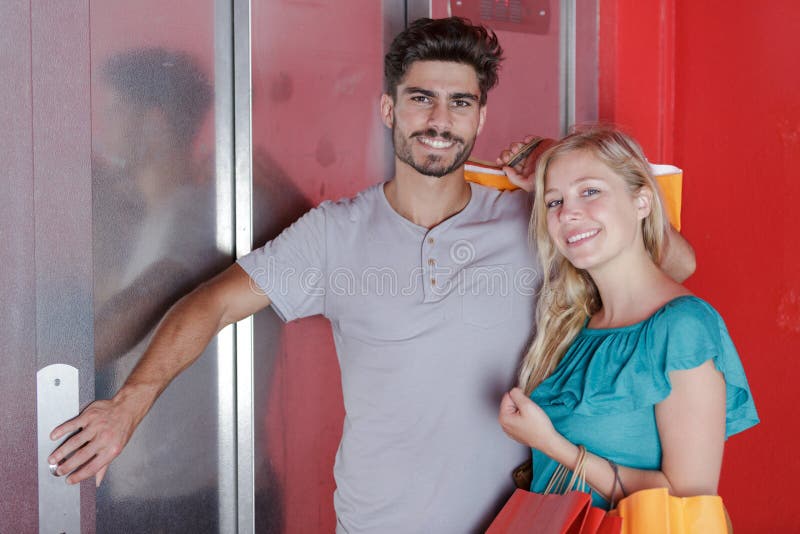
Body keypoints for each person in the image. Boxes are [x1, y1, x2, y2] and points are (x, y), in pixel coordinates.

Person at [48, 19, 695, 533]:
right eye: (421, 99)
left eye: (460, 102)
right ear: (388, 110)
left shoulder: (532, 222)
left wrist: (558, 176)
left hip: (515, 522)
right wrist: (126, 405)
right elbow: (210, 306)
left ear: (480, 119)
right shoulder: (334, 234)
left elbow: (674, 266)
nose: (439, 120)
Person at [498, 127, 759, 512]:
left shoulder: (683, 328)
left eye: (590, 191)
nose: (568, 212)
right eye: (554, 202)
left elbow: (688, 505)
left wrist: (553, 446)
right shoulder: (571, 329)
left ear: (642, 202)